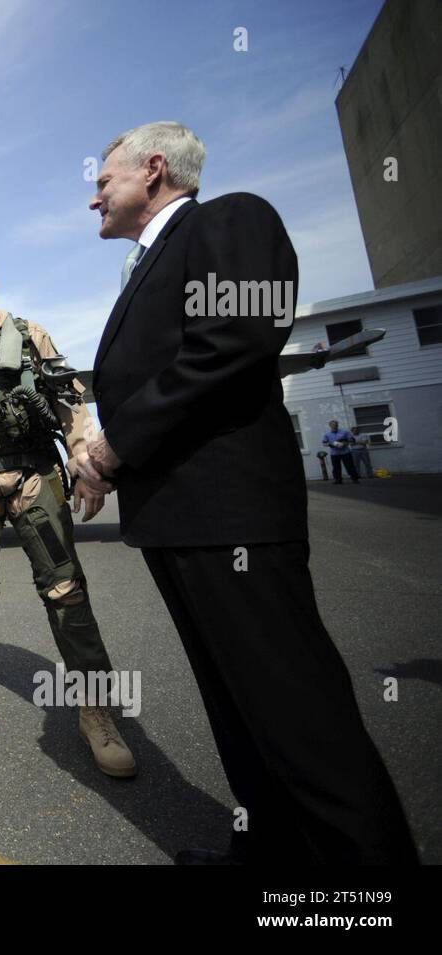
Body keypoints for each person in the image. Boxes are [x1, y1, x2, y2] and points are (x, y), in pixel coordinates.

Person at [83, 121, 416, 864]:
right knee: (238, 710)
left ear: (154, 169)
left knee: (300, 719)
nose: (94, 198)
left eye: (103, 182)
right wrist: (111, 456)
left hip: (229, 521)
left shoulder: (230, 220)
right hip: (180, 524)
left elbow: (232, 341)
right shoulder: (150, 261)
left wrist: (112, 444)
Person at [0, 249, 135, 777]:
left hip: (35, 476)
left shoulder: (32, 335)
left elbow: (70, 403)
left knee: (66, 589)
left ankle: (95, 711)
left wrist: (86, 464)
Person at [322, 420, 360, 484]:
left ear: (337, 425)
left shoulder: (344, 432)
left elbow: (352, 440)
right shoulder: (326, 434)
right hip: (334, 453)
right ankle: (338, 480)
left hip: (345, 452)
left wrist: (344, 443)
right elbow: (324, 443)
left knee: (350, 466)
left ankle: (355, 479)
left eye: (336, 425)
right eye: (333, 425)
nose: (334, 426)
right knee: (336, 467)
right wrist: (331, 444)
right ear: (330, 426)